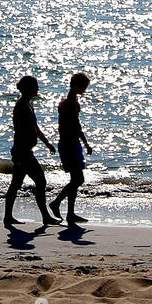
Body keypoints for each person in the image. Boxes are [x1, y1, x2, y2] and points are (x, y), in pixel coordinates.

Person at [3, 75, 59, 228]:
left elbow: (35, 128)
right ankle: (45, 217)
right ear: (27, 88)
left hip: (24, 150)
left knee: (16, 183)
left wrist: (46, 142)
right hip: (22, 151)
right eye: (35, 86)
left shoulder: (28, 104)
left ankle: (8, 217)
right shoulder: (21, 106)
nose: (38, 89)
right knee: (40, 180)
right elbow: (22, 129)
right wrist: (22, 151)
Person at [50, 72, 92, 224]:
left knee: (75, 179)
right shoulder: (68, 103)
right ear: (77, 86)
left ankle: (70, 213)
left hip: (72, 143)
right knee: (78, 179)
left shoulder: (72, 101)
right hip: (69, 144)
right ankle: (56, 202)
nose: (85, 90)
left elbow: (77, 126)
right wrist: (85, 142)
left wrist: (84, 143)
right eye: (84, 87)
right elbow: (74, 126)